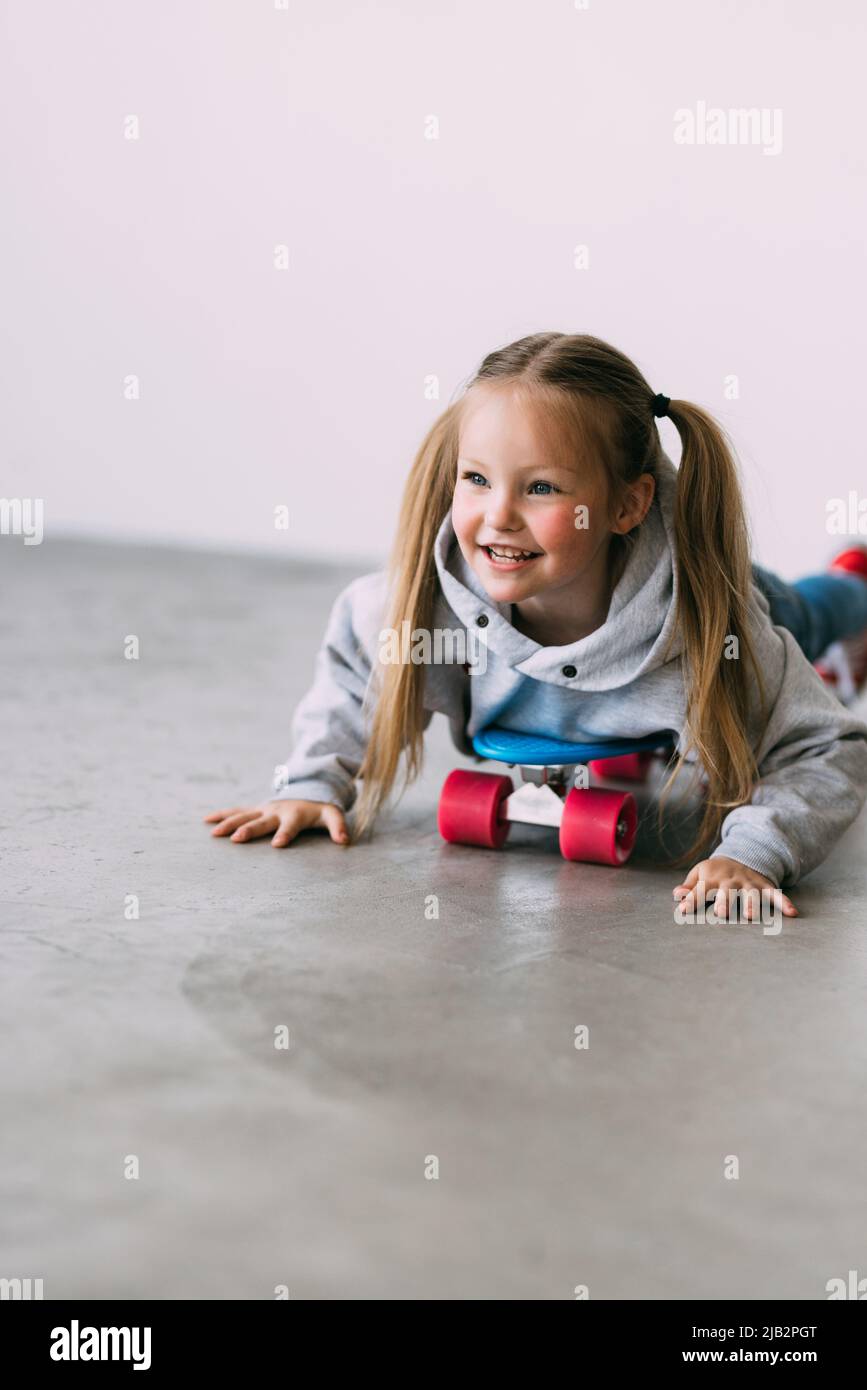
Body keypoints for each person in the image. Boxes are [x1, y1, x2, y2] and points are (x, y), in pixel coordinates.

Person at [204, 333, 867, 920]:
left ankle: (853, 579)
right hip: (611, 691)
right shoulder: (418, 609)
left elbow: (826, 748)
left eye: (541, 488)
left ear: (627, 505)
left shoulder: (710, 631)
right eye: (475, 479)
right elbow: (355, 678)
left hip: (728, 592)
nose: (498, 516)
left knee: (812, 612)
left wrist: (755, 852)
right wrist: (315, 783)